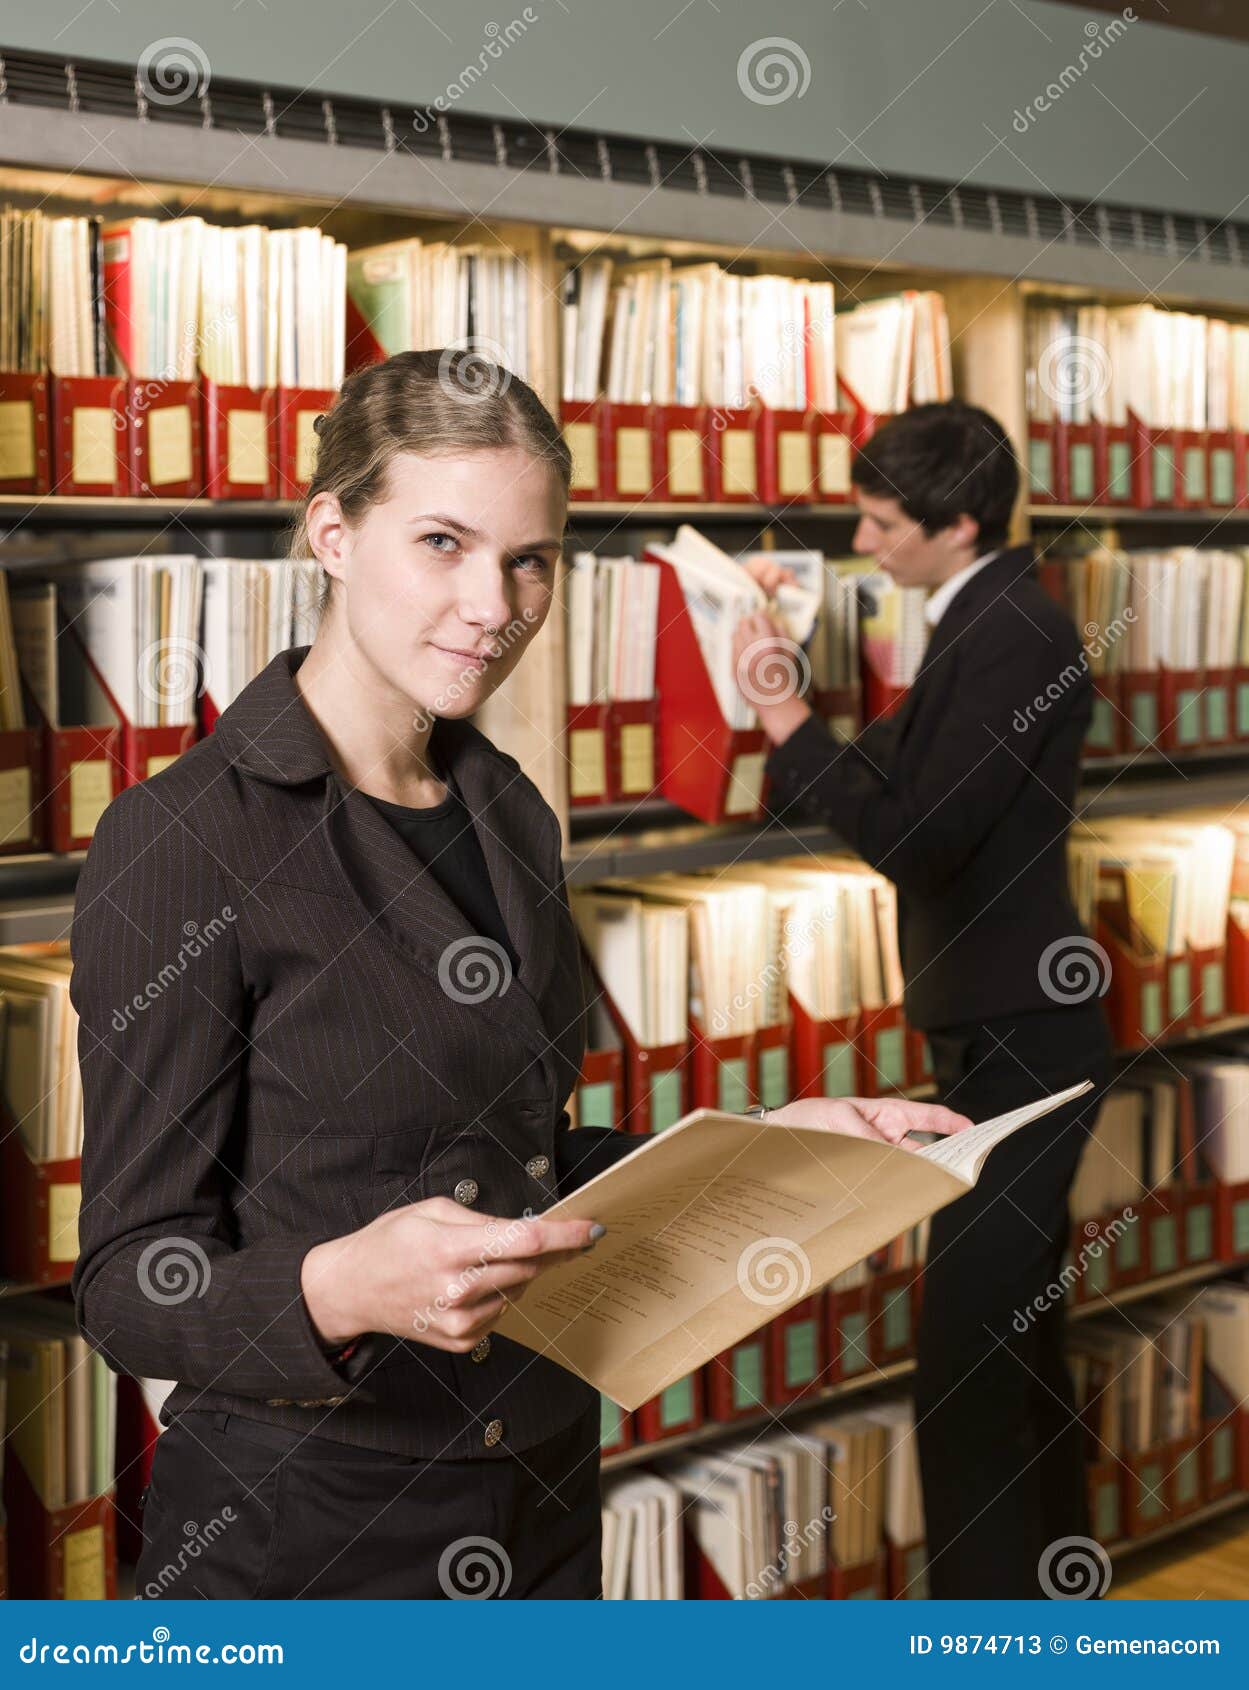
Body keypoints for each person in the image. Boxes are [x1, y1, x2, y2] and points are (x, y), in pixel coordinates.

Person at [70, 349, 969, 1600]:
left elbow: (518, 1161)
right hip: (313, 1529)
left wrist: (778, 1149)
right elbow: (125, 1286)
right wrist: (340, 1284)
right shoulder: (185, 836)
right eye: (441, 541)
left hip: (540, 1483)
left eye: (529, 558)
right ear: (332, 532)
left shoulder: (510, 812)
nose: (494, 604)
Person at [734, 400, 1116, 1600]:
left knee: (961, 1370)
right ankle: (1058, 1616)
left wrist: (789, 723)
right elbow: (900, 778)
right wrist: (789, 711)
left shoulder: (1009, 633)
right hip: (997, 1038)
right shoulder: (981, 616)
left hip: (1026, 1048)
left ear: (955, 524)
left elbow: (918, 839)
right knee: (1018, 1356)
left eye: (882, 521)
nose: (863, 540)